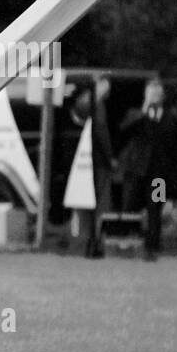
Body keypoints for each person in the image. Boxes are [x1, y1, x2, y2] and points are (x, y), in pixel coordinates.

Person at [118, 78, 177, 261]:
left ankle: (152, 246)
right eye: (151, 93)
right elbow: (124, 131)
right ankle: (123, 240)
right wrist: (144, 110)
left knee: (155, 207)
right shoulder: (135, 114)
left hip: (159, 174)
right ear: (146, 95)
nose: (155, 96)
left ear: (162, 96)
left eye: (157, 93)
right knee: (129, 204)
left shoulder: (171, 117)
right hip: (136, 170)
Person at [67, 79, 117, 258]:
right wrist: (110, 158)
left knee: (85, 205)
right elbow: (102, 134)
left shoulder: (81, 107)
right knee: (100, 205)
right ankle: (95, 243)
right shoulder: (98, 107)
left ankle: (85, 242)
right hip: (98, 164)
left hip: (84, 165)